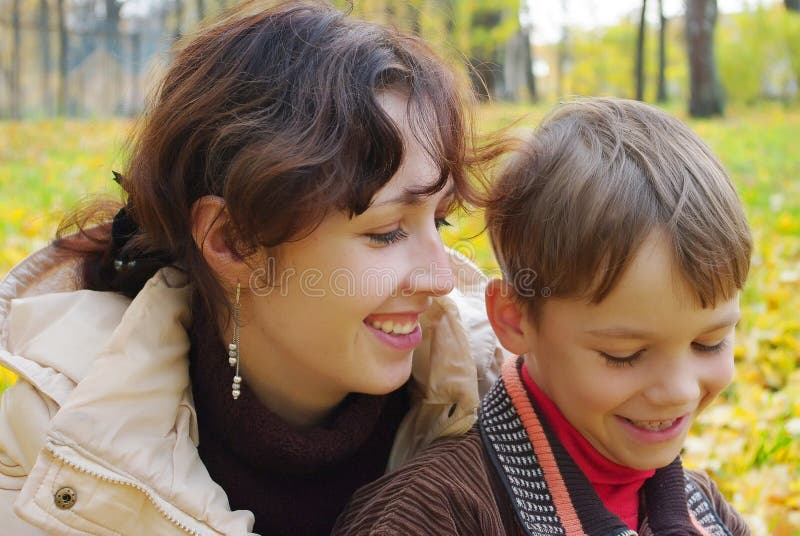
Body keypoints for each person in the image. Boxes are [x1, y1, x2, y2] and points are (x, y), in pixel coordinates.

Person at [0, 2, 508, 534]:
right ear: (233, 242)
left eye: (442, 221)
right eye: (386, 232)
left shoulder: (499, 396)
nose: (441, 277)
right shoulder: (59, 441)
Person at [333, 98, 753, 535]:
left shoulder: (706, 512)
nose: (678, 391)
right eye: (624, 354)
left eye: (710, 343)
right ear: (515, 320)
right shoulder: (433, 515)